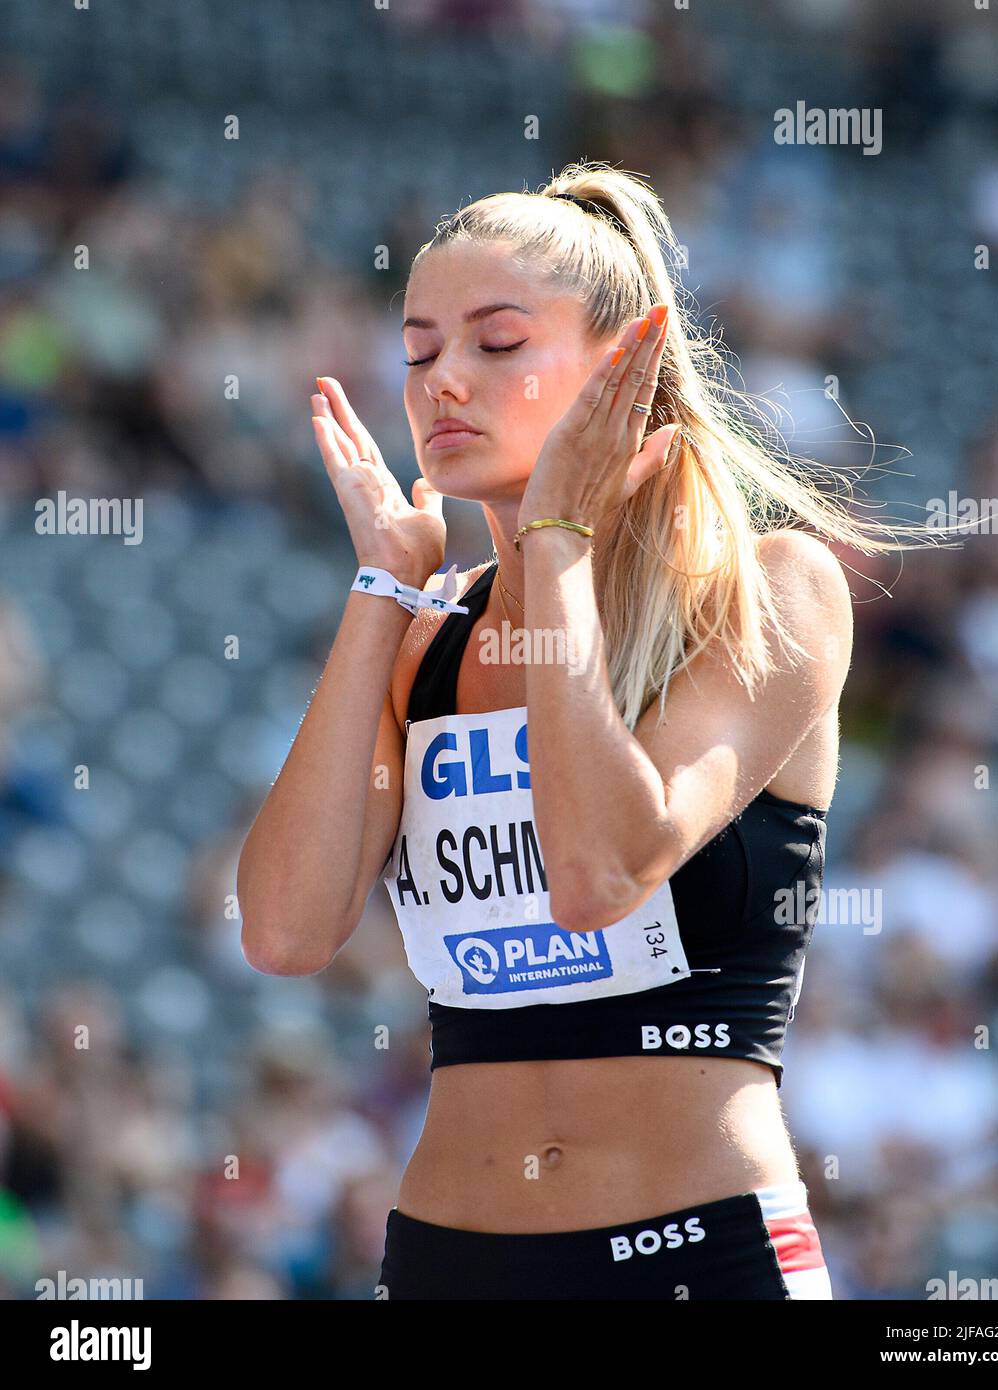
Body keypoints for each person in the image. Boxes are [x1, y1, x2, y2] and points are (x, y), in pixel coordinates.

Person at [237, 160, 917, 1300]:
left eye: (497, 344)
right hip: (451, 1257)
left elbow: (602, 869)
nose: (444, 380)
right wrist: (379, 594)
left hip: (697, 1253)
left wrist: (554, 540)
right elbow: (286, 932)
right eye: (418, 350)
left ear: (627, 362)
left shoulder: (770, 594)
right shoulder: (424, 635)